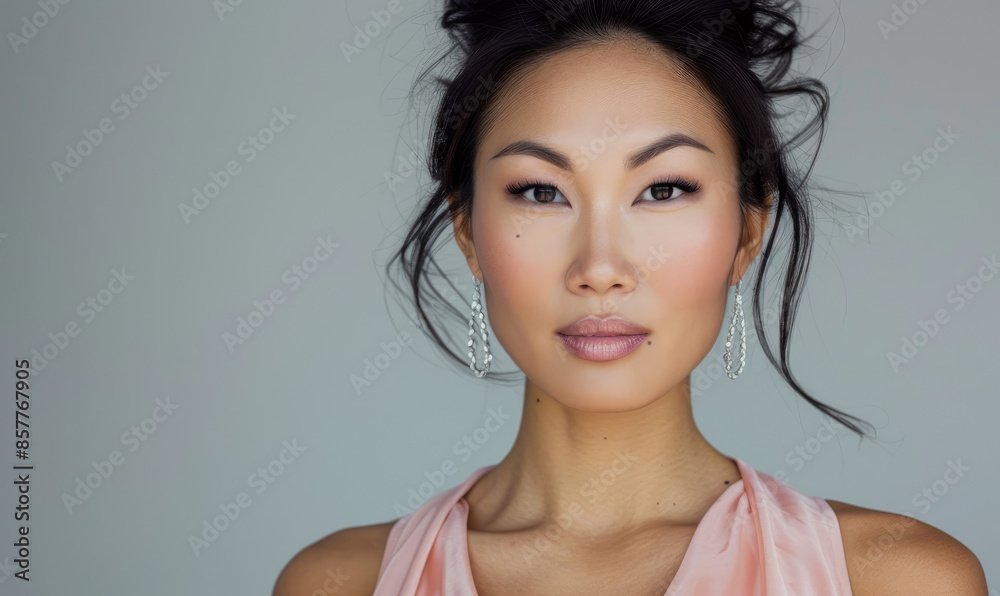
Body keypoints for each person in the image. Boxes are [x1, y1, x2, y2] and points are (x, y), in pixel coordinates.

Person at [274, 0, 988, 593]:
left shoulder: (896, 579)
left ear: (746, 232)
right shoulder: (340, 581)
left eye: (664, 189)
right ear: (469, 233)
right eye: (540, 192)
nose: (600, 266)